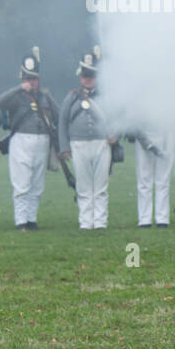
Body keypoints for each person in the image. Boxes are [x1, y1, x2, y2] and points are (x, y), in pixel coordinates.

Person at [0, 47, 60, 231]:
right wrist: (19, 89)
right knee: (21, 183)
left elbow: (59, 116)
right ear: (22, 79)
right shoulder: (16, 97)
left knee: (37, 184)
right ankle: (21, 221)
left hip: (43, 142)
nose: (32, 82)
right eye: (28, 79)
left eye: (34, 78)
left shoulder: (45, 97)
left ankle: (31, 219)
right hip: (21, 141)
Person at [58, 47, 118, 230]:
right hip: (78, 144)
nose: (87, 79)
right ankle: (85, 222)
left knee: (100, 186)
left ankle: (100, 221)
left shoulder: (106, 96)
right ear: (80, 76)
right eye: (85, 75)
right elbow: (62, 122)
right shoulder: (72, 97)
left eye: (91, 75)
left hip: (101, 143)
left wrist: (114, 133)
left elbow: (116, 117)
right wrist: (64, 147)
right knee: (83, 186)